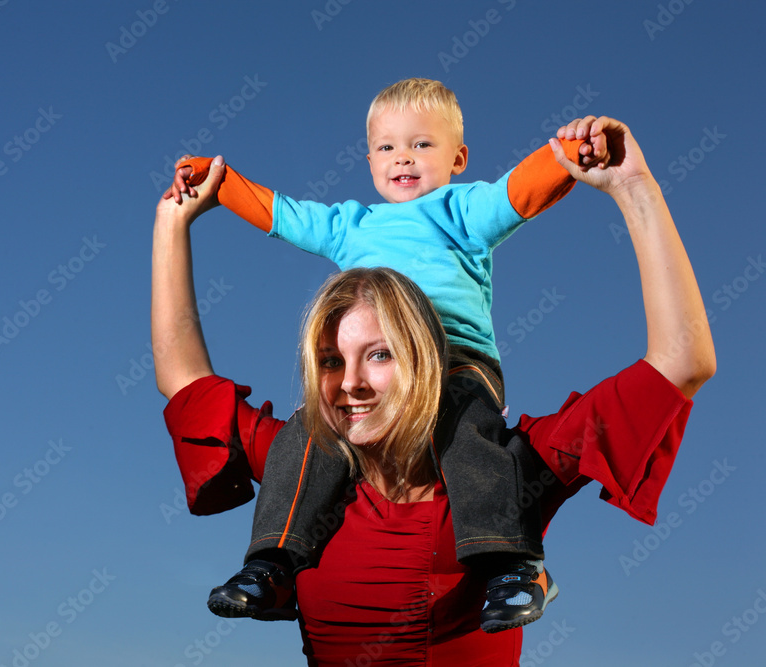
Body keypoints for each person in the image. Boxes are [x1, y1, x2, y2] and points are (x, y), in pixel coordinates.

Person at [152, 116, 714, 665]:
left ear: (422, 358)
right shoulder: (298, 467)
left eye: (379, 354)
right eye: (329, 360)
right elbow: (185, 384)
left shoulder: (504, 468)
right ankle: (270, 566)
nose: (349, 383)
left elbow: (682, 361)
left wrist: (634, 189)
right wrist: (173, 223)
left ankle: (516, 567)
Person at [164, 78, 598, 631]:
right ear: (369, 160)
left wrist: (569, 153)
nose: (404, 158)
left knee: (467, 431)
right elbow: (284, 215)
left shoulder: (462, 210)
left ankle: (513, 565)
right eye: (388, 147)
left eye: (422, 144)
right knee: (310, 432)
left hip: (455, 363)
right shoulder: (353, 225)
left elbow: (519, 191)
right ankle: (273, 564)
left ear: (458, 158)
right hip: (373, 372)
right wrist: (218, 182)